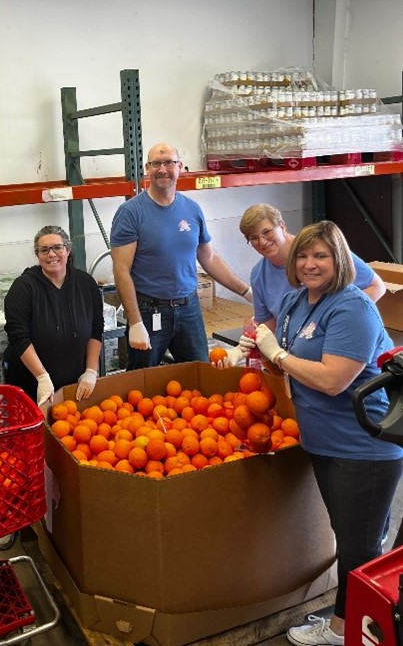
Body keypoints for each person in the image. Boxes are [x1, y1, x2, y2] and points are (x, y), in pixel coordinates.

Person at [242, 220, 403, 646]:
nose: (310, 264)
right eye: (304, 256)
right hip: (323, 441)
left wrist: (276, 350)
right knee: (352, 533)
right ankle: (365, 615)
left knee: (357, 545)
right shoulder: (295, 300)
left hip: (363, 446)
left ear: (340, 261)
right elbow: (288, 361)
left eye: (321, 256)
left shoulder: (352, 307)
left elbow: (333, 379)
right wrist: (258, 353)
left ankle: (345, 629)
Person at [0, 224, 104, 550]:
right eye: (44, 249)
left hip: (73, 383)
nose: (52, 254)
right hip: (29, 381)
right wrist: (42, 378)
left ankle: (59, 515)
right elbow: (19, 337)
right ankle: (12, 520)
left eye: (57, 247)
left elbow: (96, 330)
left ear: (68, 250)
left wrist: (91, 370)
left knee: (66, 449)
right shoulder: (23, 288)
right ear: (37, 255)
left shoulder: (85, 283)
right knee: (23, 452)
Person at [110, 142, 252, 369]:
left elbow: (210, 258)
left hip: (189, 308)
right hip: (149, 311)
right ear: (147, 168)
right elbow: (121, 270)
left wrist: (246, 291)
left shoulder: (192, 209)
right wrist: (135, 322)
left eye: (169, 163)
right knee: (142, 384)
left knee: (200, 374)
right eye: (156, 163)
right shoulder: (130, 213)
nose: (163, 169)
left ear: (180, 167)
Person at [240, 203, 385, 332]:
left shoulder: (323, 249)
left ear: (282, 226)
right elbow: (268, 324)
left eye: (267, 232)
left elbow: (376, 287)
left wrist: (336, 318)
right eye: (254, 238)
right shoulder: (258, 275)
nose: (263, 242)